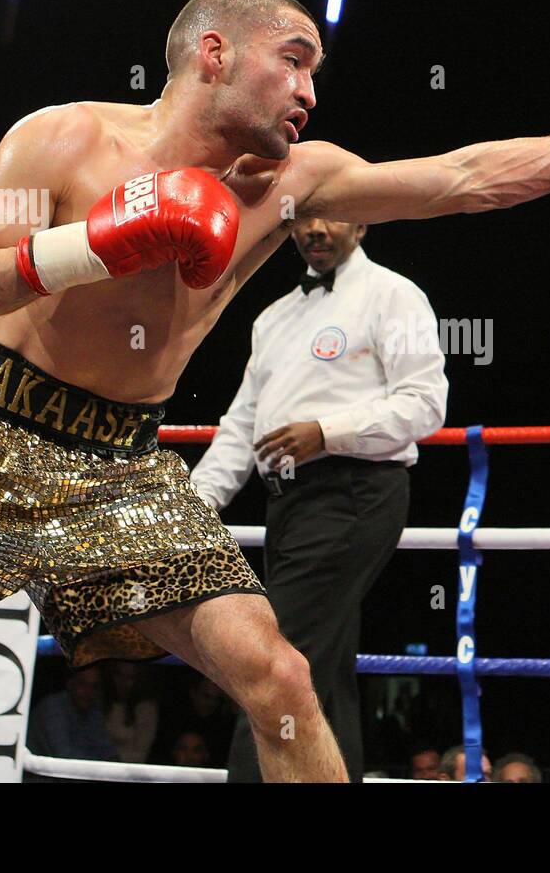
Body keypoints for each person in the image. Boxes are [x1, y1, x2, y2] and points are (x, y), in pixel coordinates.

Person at [0, 0, 550, 782]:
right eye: (295, 59)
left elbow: (462, 180)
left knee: (277, 673)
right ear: (215, 53)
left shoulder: (293, 182)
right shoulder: (67, 138)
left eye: (317, 72)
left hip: (119, 468)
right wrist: (96, 242)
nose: (310, 88)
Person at [191, 215, 446, 782]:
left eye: (332, 214)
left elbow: (425, 405)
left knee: (268, 660)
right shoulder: (275, 316)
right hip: (287, 503)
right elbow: (241, 426)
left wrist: (328, 431)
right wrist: (196, 504)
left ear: (362, 221)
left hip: (354, 494)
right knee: (318, 673)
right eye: (305, 217)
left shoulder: (393, 295)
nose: (317, 229)